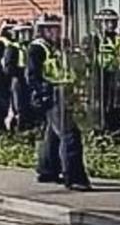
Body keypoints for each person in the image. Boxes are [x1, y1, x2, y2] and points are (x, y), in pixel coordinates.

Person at [29, 13, 91, 190]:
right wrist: (45, 92)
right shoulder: (38, 48)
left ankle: (47, 170)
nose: (57, 32)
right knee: (70, 135)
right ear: (44, 30)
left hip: (65, 93)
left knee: (52, 135)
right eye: (53, 28)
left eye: (58, 27)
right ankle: (74, 177)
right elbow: (32, 75)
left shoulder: (58, 47)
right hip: (54, 94)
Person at [90, 8, 119, 133]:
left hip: (116, 75)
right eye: (107, 22)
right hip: (99, 76)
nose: (111, 25)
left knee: (115, 103)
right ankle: (101, 130)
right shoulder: (93, 39)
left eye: (113, 22)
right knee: (101, 104)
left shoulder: (117, 38)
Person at [6, 20, 36, 131]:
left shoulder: (30, 47)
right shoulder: (12, 48)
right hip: (18, 80)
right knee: (19, 106)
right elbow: (8, 68)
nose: (25, 36)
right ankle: (18, 129)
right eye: (22, 33)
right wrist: (20, 72)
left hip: (29, 79)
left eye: (27, 32)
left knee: (29, 106)